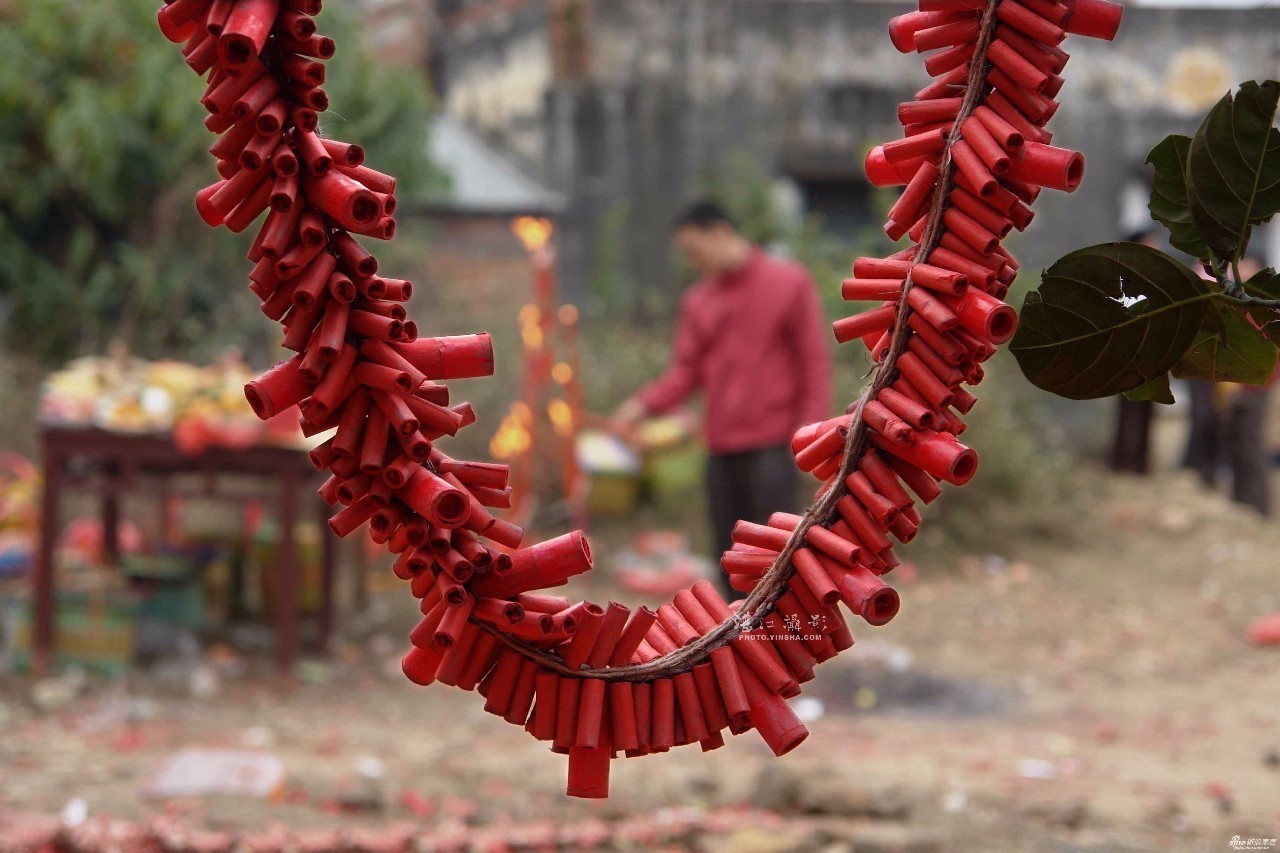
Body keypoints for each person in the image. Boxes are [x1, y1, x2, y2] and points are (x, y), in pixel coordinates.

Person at [612, 200, 833, 598]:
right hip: (720, 448)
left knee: (777, 559)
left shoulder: (789, 283)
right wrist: (640, 407)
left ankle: (781, 649)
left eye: (694, 251)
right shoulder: (698, 300)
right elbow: (686, 373)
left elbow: (813, 364)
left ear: (720, 233)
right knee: (728, 559)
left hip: (775, 446)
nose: (692, 261)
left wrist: (811, 436)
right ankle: (733, 650)